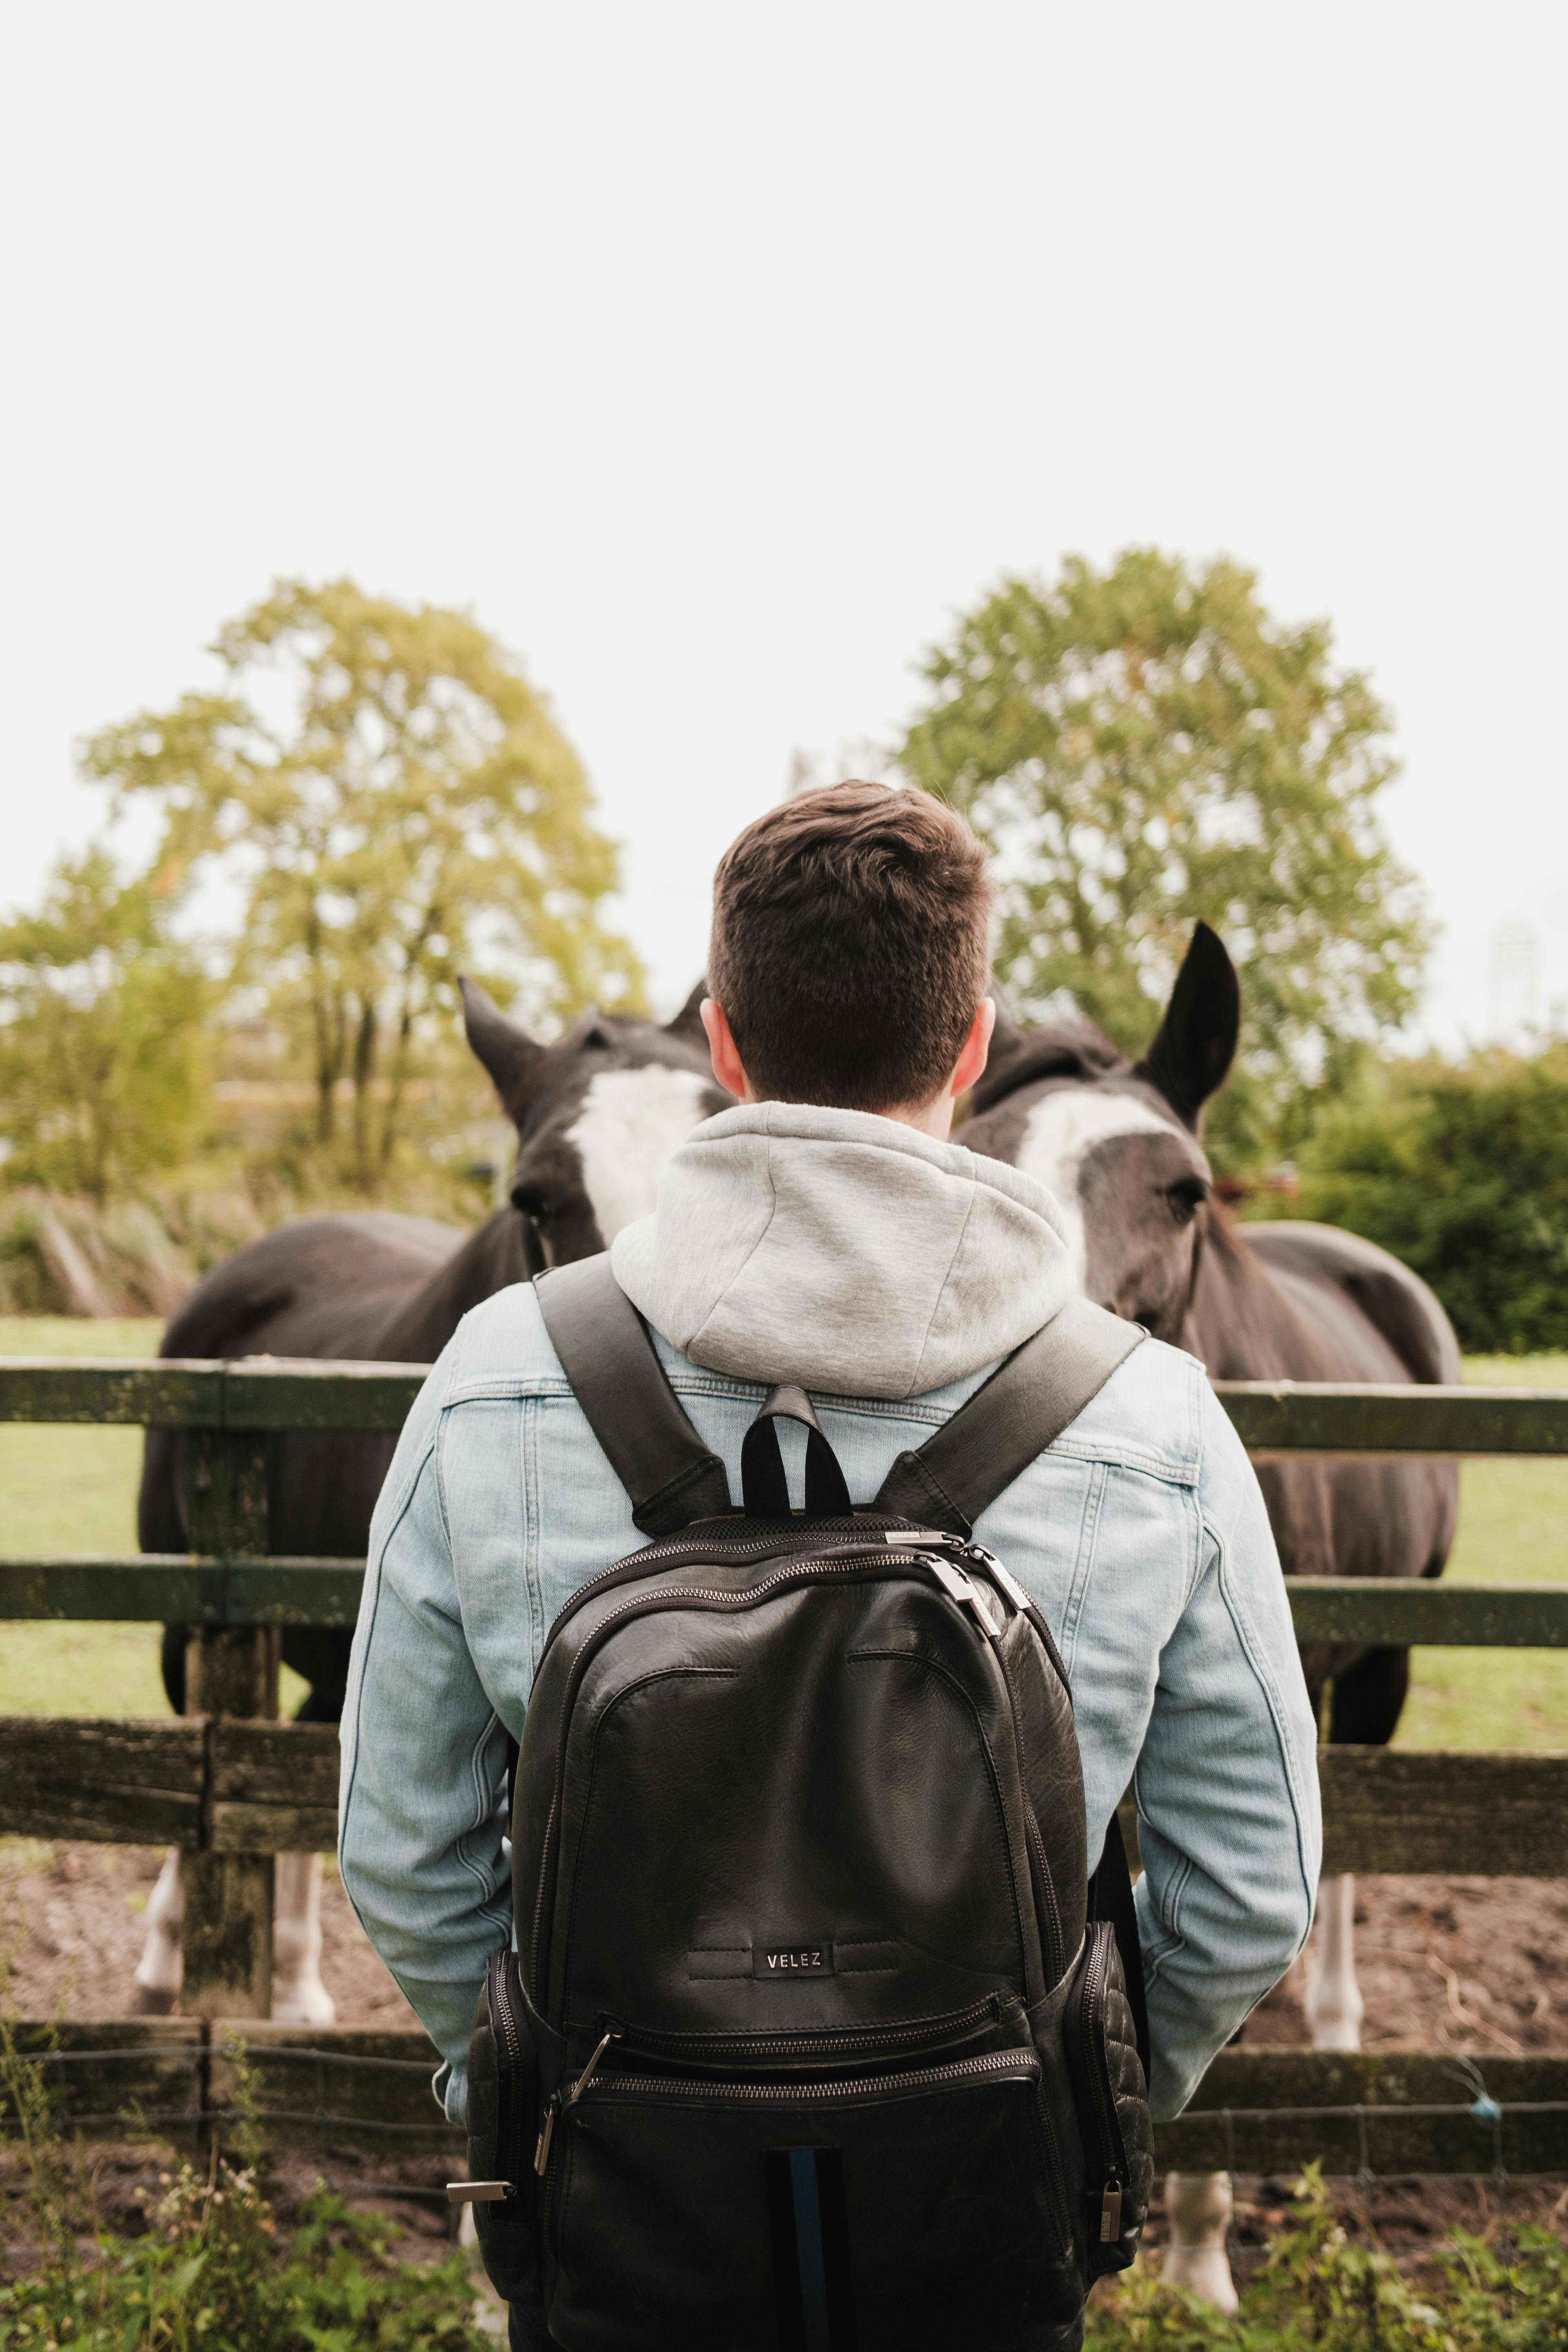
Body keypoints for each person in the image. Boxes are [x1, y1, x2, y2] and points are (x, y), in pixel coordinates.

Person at [339, 779, 1320, 2344]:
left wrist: (536, 2109)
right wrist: (1069, 2122)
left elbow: (402, 1845)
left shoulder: (497, 1376)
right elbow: (1250, 1892)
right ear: (972, 1045)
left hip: (623, 2226)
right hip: (985, 2227)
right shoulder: (1151, 1419)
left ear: (722, 1046)